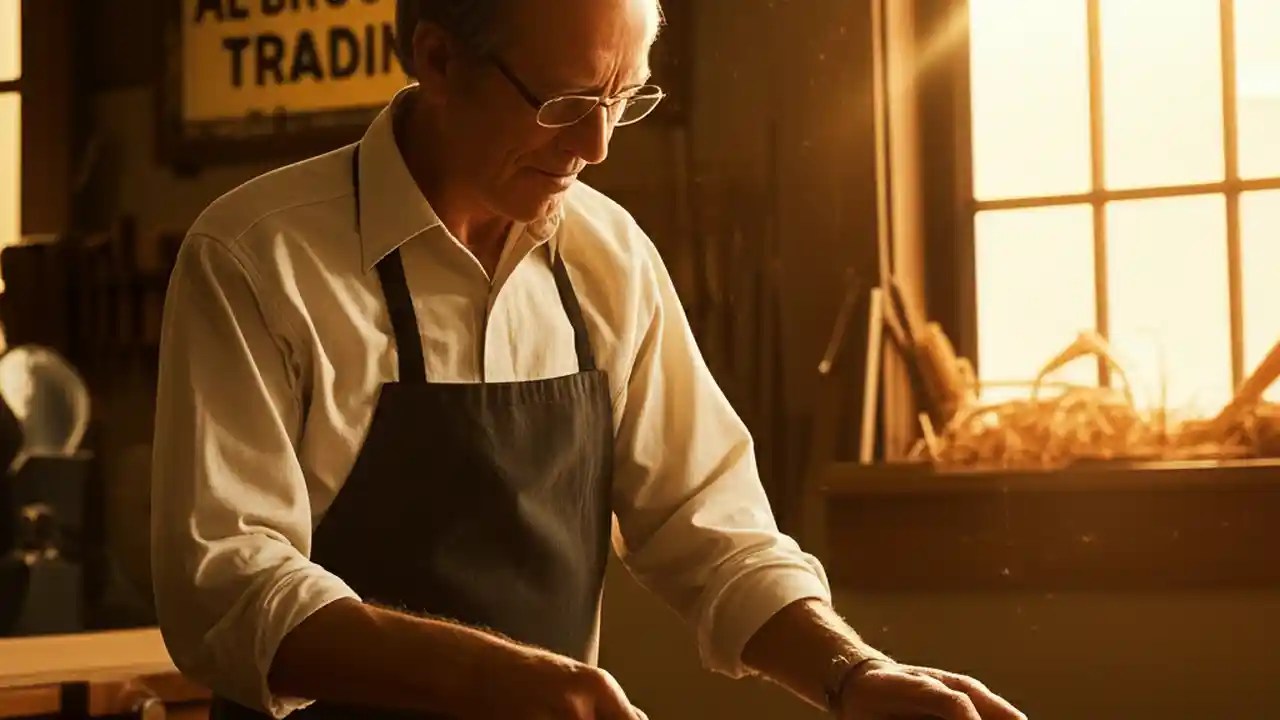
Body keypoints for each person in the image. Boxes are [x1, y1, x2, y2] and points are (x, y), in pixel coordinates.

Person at [150, 0, 1028, 718]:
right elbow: (225, 583)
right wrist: (507, 683)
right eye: (566, 104)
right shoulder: (257, 256)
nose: (598, 146)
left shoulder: (609, 255)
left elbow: (708, 526)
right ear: (438, 58)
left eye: (626, 99)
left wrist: (855, 675)